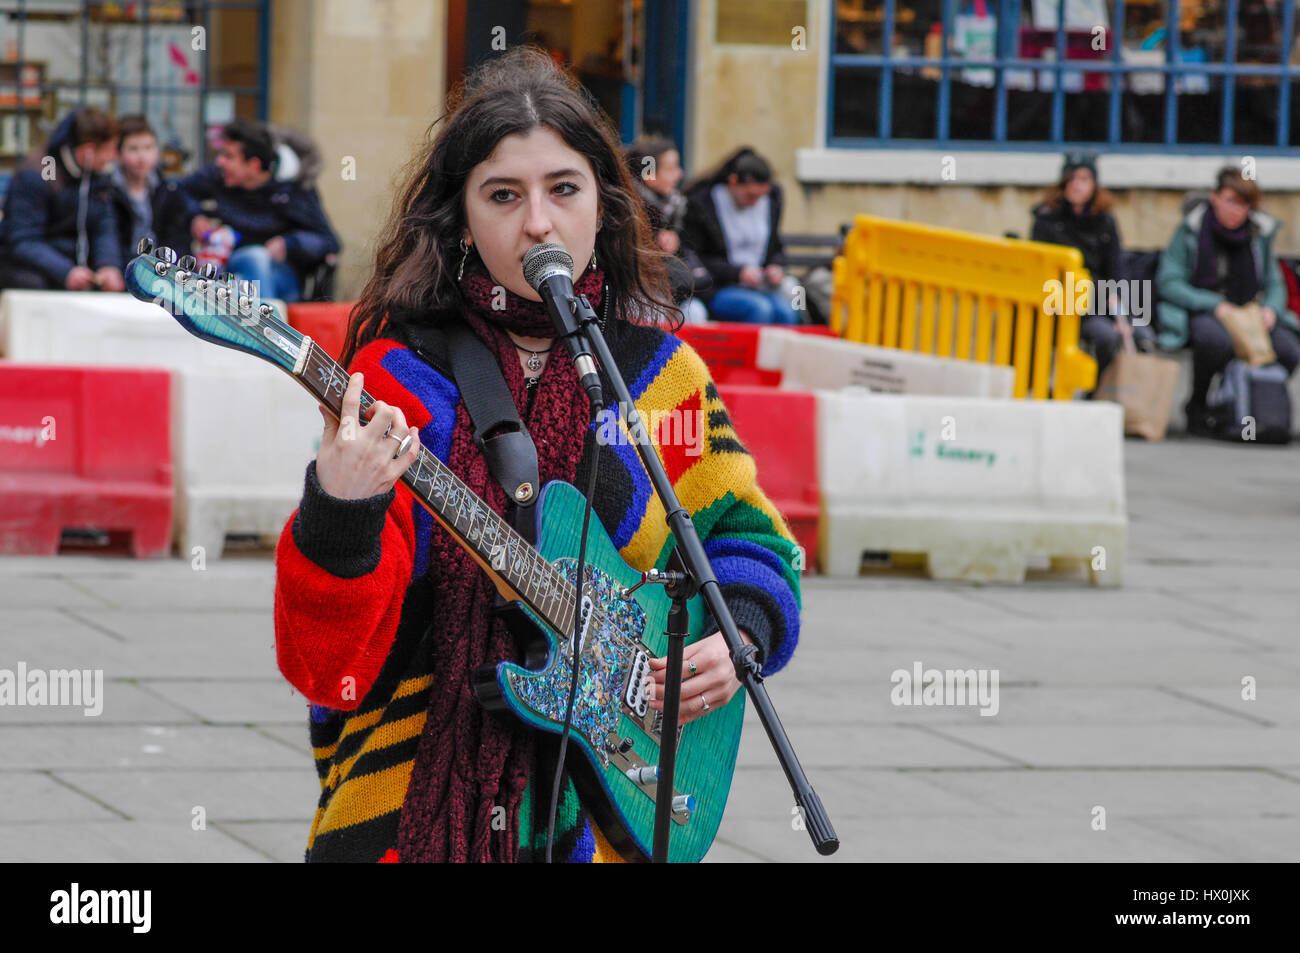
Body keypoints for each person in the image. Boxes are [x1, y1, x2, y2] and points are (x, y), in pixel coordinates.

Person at [272, 47, 802, 863]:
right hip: (406, 812)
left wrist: (736, 640)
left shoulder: (664, 378)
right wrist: (337, 516)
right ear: (460, 218)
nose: (538, 224)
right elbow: (324, 666)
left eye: (563, 189)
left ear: (604, 204)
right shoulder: (397, 380)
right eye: (503, 195)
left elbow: (751, 540)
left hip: (602, 816)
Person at [1155, 166, 1300, 432]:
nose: (1237, 211)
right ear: (1215, 197)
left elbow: (1274, 282)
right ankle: (1197, 406)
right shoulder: (1191, 230)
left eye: (1244, 204)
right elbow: (1169, 281)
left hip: (1250, 312)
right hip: (1206, 308)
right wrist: (1214, 305)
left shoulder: (1259, 234)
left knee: (1288, 350)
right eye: (1231, 201)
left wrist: (1271, 309)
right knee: (1214, 342)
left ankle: (1242, 405)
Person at [177, 118, 339, 302]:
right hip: (229, 267)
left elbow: (329, 241)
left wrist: (290, 243)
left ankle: (263, 327)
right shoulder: (219, 175)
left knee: (255, 259)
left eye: (228, 156)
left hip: (280, 277)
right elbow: (180, 190)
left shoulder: (294, 189)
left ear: (253, 165)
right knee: (236, 285)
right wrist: (195, 216)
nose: (220, 161)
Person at [1031, 152, 1153, 380]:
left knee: (1142, 335)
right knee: (1106, 336)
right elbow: (1046, 275)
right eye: (1072, 179)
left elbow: (1117, 267)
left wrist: (1121, 309)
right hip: (1063, 306)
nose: (1077, 186)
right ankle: (1091, 393)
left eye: (1084, 179)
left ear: (1094, 185)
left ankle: (1109, 393)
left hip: (1101, 302)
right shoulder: (1047, 219)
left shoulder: (1104, 219)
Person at [0, 107, 125, 291]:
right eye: (110, 149)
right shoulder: (37, 174)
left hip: (79, 268)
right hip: (37, 269)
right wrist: (66, 271)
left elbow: (104, 226)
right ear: (88, 150)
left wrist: (108, 265)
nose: (114, 157)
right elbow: (24, 240)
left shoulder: (98, 176)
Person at [681, 146, 800, 325]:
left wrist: (776, 266)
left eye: (760, 197)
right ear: (733, 181)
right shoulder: (704, 203)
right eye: (750, 196)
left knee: (787, 312)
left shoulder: (770, 202)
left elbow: (776, 247)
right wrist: (738, 273)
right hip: (718, 286)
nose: (755, 203)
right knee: (760, 309)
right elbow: (697, 257)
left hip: (761, 285)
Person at [624, 136, 709, 323]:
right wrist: (653, 239)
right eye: (670, 169)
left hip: (669, 291)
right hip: (633, 292)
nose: (679, 174)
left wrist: (676, 242)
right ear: (650, 174)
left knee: (695, 311)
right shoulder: (627, 207)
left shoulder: (676, 206)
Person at [108, 114, 192, 260]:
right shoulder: (108, 191)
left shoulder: (168, 190)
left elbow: (178, 239)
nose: (142, 157)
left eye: (148, 148)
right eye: (133, 149)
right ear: (118, 154)